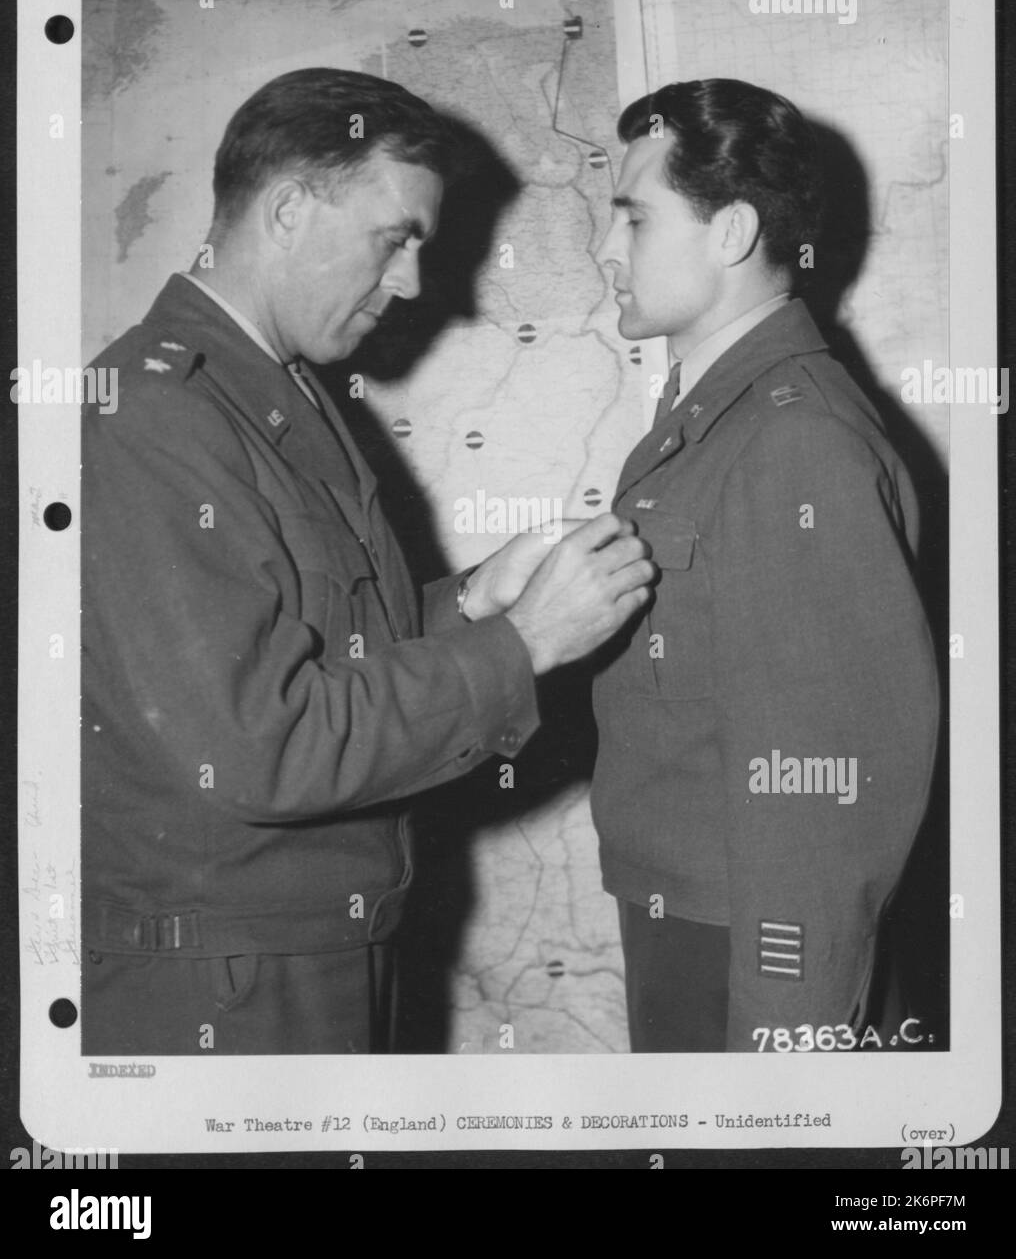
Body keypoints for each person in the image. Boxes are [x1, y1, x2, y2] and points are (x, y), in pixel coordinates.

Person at [81, 68, 655, 1055]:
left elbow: (332, 651)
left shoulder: (274, 392)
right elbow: (263, 744)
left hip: (312, 950)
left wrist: (476, 598)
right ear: (290, 209)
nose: (412, 284)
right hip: (225, 990)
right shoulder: (152, 414)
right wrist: (522, 644)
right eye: (395, 240)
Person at [590, 78, 940, 1052]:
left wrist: (786, 1057)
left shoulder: (794, 444)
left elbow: (818, 804)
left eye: (631, 217)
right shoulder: (708, 422)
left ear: (730, 229)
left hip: (745, 950)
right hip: (689, 924)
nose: (602, 250)